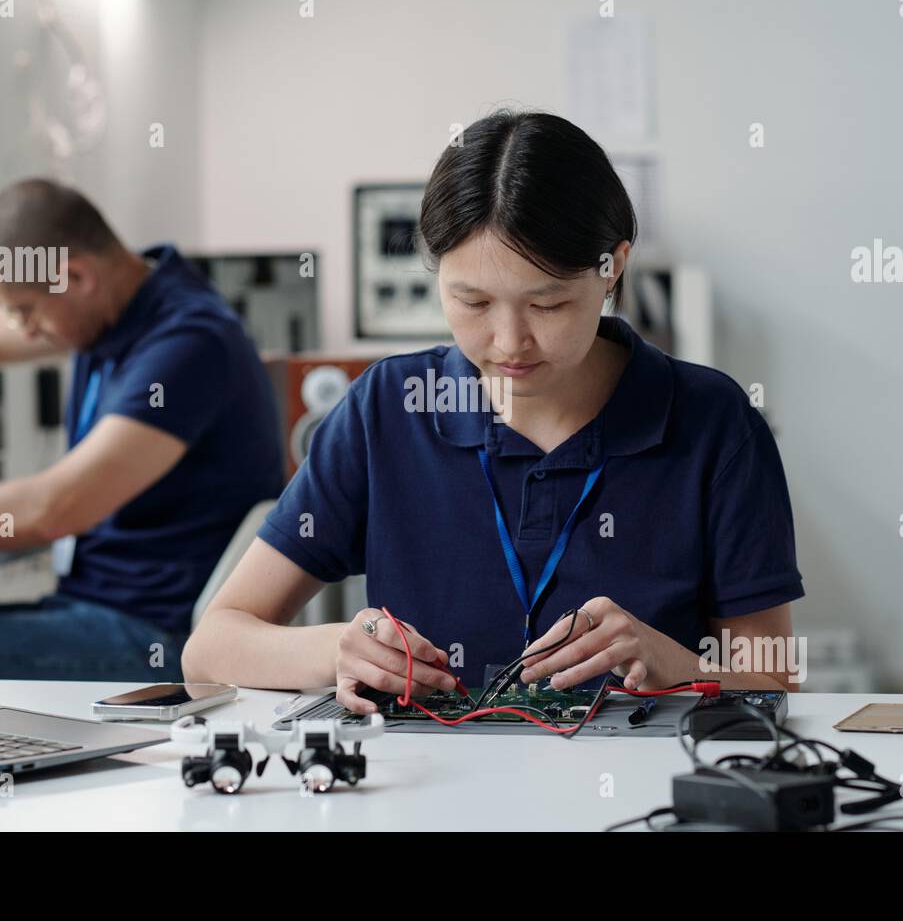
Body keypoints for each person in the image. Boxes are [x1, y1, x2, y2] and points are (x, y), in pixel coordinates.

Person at [184, 110, 804, 711]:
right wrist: (334, 650)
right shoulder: (387, 411)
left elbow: (773, 679)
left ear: (614, 267)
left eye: (548, 304)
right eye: (473, 301)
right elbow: (210, 649)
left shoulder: (713, 421)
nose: (510, 343)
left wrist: (672, 662)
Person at [0, 178, 283, 680]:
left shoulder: (188, 342)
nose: (23, 330)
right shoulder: (122, 305)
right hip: (93, 608)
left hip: (157, 635)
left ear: (75, 278)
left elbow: (52, 508)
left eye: (25, 311)